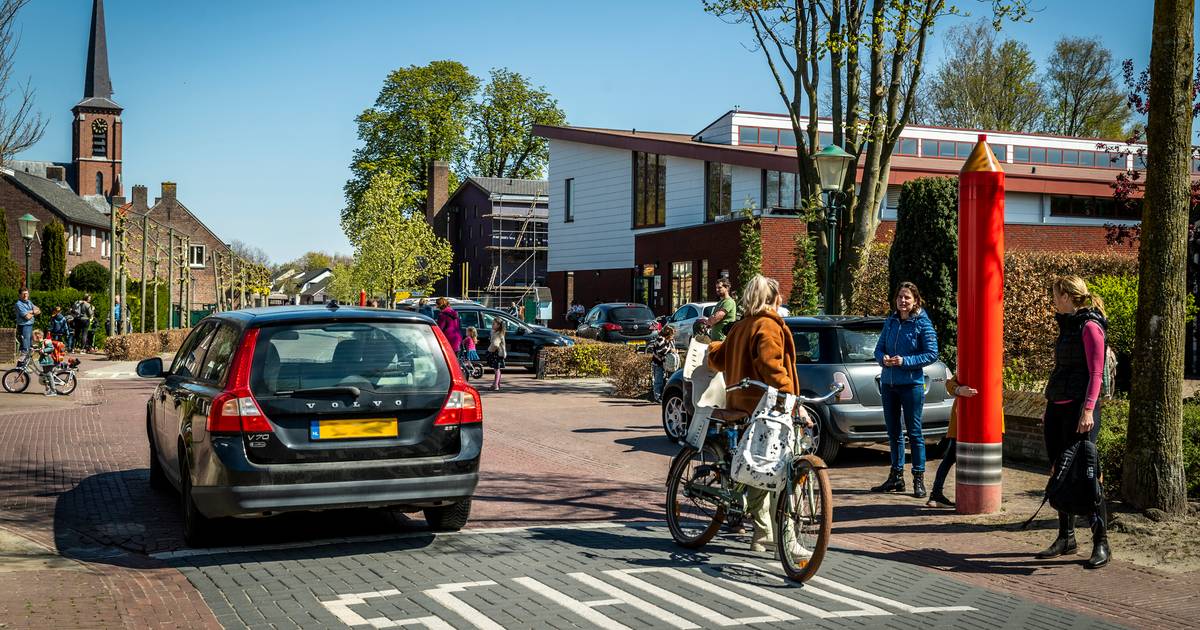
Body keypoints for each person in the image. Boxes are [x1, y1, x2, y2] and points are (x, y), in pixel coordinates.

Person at [706, 274, 808, 556]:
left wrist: (711, 344)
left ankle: (762, 533)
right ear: (774, 299)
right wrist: (792, 398)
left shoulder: (740, 326)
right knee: (780, 469)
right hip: (767, 407)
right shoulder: (768, 326)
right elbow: (772, 366)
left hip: (741, 404)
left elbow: (716, 359)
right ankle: (781, 539)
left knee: (758, 467)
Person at [1036, 275, 1111, 569]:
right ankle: (1066, 537)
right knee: (1059, 472)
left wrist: (1088, 410)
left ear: (1067, 295)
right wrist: (1050, 405)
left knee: (1088, 476)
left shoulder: (1090, 326)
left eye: (1055, 294)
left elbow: (1096, 374)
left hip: (1081, 411)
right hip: (1059, 408)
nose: (1053, 299)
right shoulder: (1067, 326)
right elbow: (1063, 368)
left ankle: (1101, 542)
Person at [871, 281, 939, 499]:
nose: (903, 301)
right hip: (889, 384)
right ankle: (896, 477)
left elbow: (931, 353)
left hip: (911, 385)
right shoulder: (891, 321)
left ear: (915, 301)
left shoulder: (922, 323)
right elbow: (878, 348)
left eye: (907, 297)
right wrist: (884, 359)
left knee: (914, 433)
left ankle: (918, 478)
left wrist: (905, 361)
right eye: (900, 297)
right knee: (893, 432)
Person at [926, 372, 979, 508]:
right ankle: (937, 495)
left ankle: (936, 494)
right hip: (965, 422)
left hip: (980, 423)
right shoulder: (967, 369)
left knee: (950, 458)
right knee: (950, 457)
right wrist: (958, 390)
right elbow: (949, 383)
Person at [648, 325, 677, 403]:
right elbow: (661, 351)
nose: (673, 336)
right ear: (668, 334)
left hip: (665, 364)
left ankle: (662, 396)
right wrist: (671, 350)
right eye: (672, 334)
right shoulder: (660, 339)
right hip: (658, 364)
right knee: (658, 380)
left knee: (665, 380)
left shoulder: (670, 340)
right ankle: (657, 397)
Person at [31, 329, 57, 396]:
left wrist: (44, 350)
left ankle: (53, 391)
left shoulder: (46, 341)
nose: (33, 338)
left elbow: (51, 348)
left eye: (33, 336)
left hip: (48, 361)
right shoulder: (40, 342)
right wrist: (34, 348)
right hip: (45, 361)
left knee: (49, 374)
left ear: (38, 336)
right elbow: (40, 348)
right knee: (46, 374)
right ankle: (48, 388)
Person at [14, 287, 39, 353]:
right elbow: (27, 317)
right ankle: (23, 362)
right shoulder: (18, 304)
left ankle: (28, 362)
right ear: (19, 295)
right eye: (23, 294)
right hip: (24, 327)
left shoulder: (29, 302)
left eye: (27, 293)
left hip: (30, 325)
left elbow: (38, 310)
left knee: (30, 346)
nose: (25, 295)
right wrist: (33, 312)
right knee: (25, 347)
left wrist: (30, 312)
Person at [487, 317, 507, 391]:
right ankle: (497, 384)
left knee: (496, 369)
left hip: (497, 354)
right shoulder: (497, 332)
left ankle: (495, 385)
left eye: (494, 324)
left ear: (498, 325)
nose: (492, 325)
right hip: (499, 353)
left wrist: (490, 350)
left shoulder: (498, 334)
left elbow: (495, 344)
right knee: (497, 369)